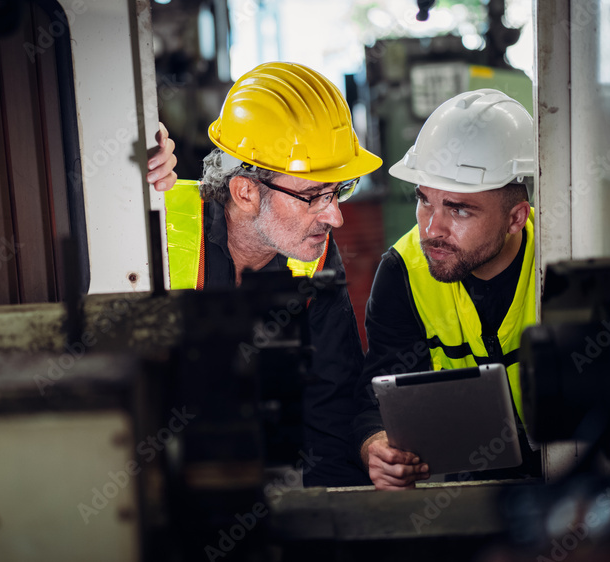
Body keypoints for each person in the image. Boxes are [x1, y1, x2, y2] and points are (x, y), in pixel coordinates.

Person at [154, 62, 383, 486]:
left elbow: (330, 407)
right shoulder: (155, 234)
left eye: (338, 192)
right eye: (314, 196)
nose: (335, 217)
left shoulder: (309, 254)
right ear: (245, 191)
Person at [350, 89, 541, 490]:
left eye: (458, 209)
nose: (431, 229)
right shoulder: (403, 272)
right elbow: (377, 396)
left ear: (515, 218)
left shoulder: (561, 255)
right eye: (424, 202)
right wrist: (376, 446)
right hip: (470, 489)